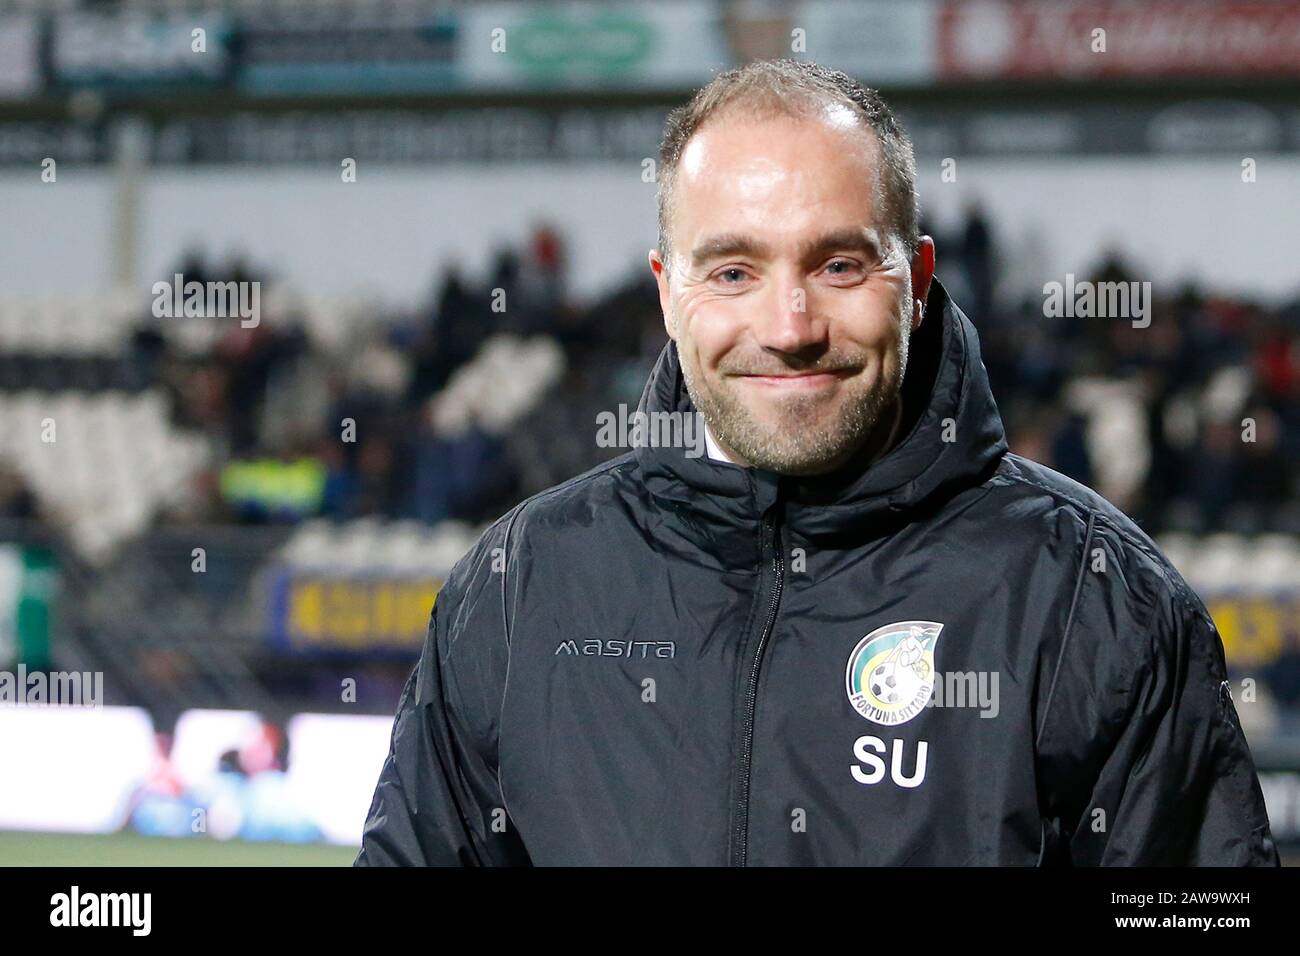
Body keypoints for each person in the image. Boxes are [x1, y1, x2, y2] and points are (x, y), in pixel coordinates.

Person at [355, 59, 1277, 866]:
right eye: (731, 272)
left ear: (915, 285)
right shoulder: (521, 588)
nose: (789, 328)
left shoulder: (1096, 595)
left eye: (839, 265)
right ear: (667, 295)